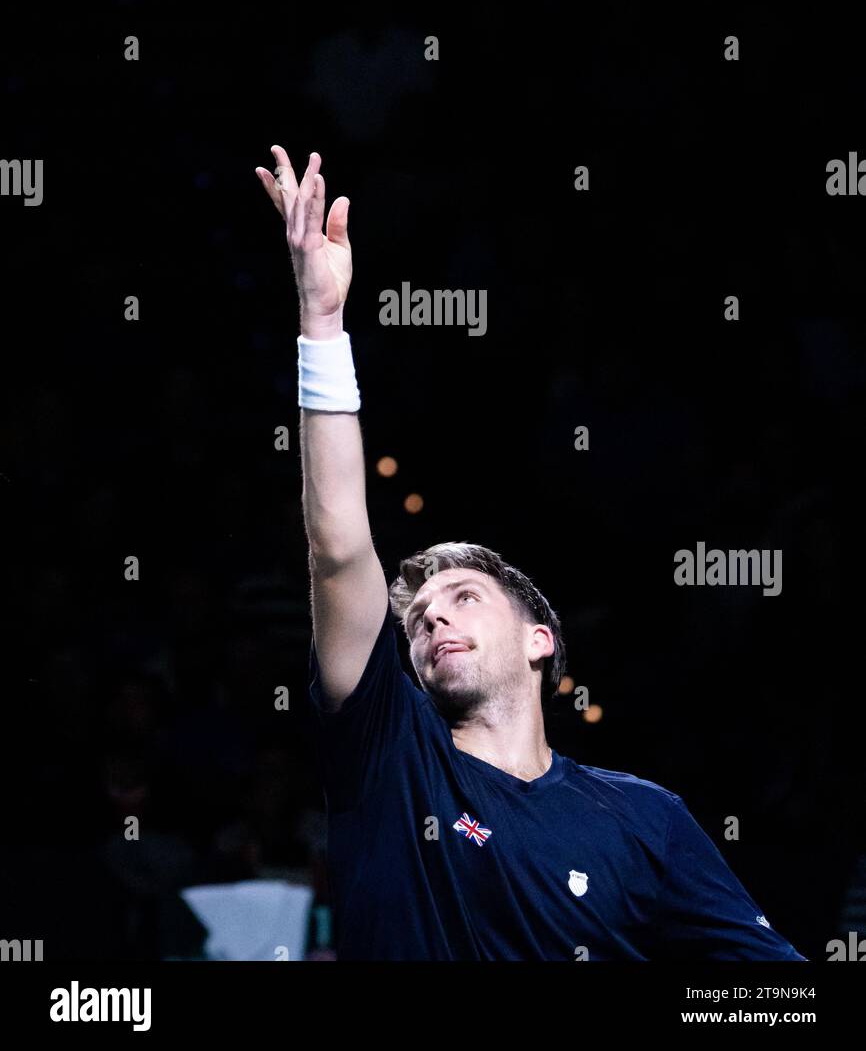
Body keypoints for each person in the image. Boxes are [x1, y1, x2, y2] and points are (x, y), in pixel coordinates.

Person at [255, 145, 808, 962]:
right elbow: (338, 545)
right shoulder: (389, 754)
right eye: (419, 620)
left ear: (540, 638)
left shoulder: (646, 818)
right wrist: (322, 323)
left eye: (466, 598)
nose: (434, 616)